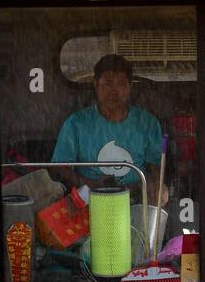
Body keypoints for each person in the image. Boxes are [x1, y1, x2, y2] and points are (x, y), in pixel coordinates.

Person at [51, 53, 167, 205]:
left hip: (135, 199)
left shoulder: (148, 123)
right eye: (107, 84)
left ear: (130, 87)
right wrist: (88, 183)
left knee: (162, 192)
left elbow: (157, 167)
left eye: (121, 84)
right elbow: (58, 168)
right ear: (95, 84)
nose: (114, 91)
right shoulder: (76, 123)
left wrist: (151, 185)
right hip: (89, 199)